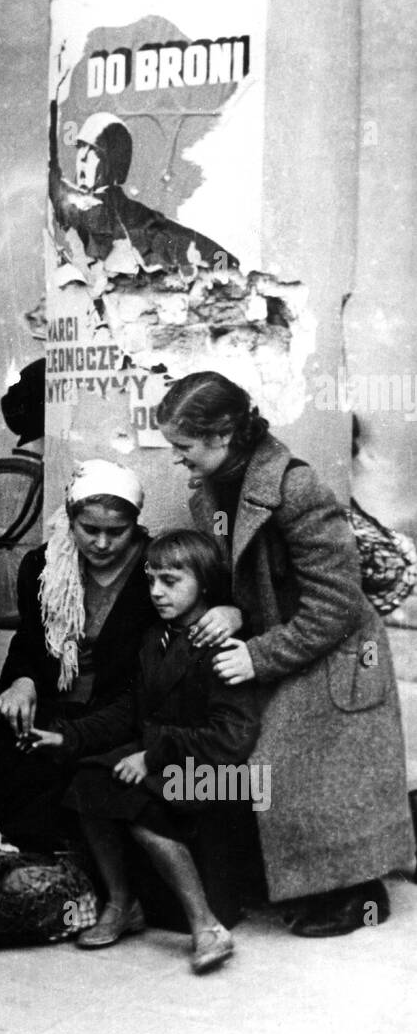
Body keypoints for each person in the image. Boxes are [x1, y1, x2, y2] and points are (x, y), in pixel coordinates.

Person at [156, 370, 415, 936]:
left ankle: (356, 891)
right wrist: (230, 611)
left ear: (223, 434)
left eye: (184, 448)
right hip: (287, 637)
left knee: (297, 765)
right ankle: (309, 882)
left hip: (337, 648)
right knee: (278, 763)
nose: (179, 461)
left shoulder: (296, 487)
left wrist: (259, 655)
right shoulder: (211, 490)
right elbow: (245, 576)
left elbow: (337, 602)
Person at [29, 530, 261, 973]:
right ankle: (123, 903)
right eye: (151, 579)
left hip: (220, 773)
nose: (156, 591)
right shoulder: (156, 637)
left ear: (205, 582)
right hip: (172, 758)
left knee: (137, 807)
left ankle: (206, 926)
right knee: (88, 783)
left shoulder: (220, 642)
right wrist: (71, 737)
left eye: (171, 581)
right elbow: (129, 711)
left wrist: (152, 755)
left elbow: (232, 737)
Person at [0, 459, 159, 846]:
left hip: (115, 712)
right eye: (90, 530)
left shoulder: (153, 570)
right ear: (70, 519)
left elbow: (149, 677)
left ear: (135, 526)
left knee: (51, 802)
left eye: (117, 532)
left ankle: (33, 878)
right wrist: (22, 681)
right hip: (52, 700)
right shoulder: (42, 566)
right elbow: (30, 641)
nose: (102, 543)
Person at [48, 102, 238, 272]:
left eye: (94, 150)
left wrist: (222, 269)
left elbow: (217, 257)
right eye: (80, 146)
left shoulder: (138, 220)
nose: (82, 157)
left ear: (113, 161)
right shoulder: (74, 210)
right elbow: (55, 182)